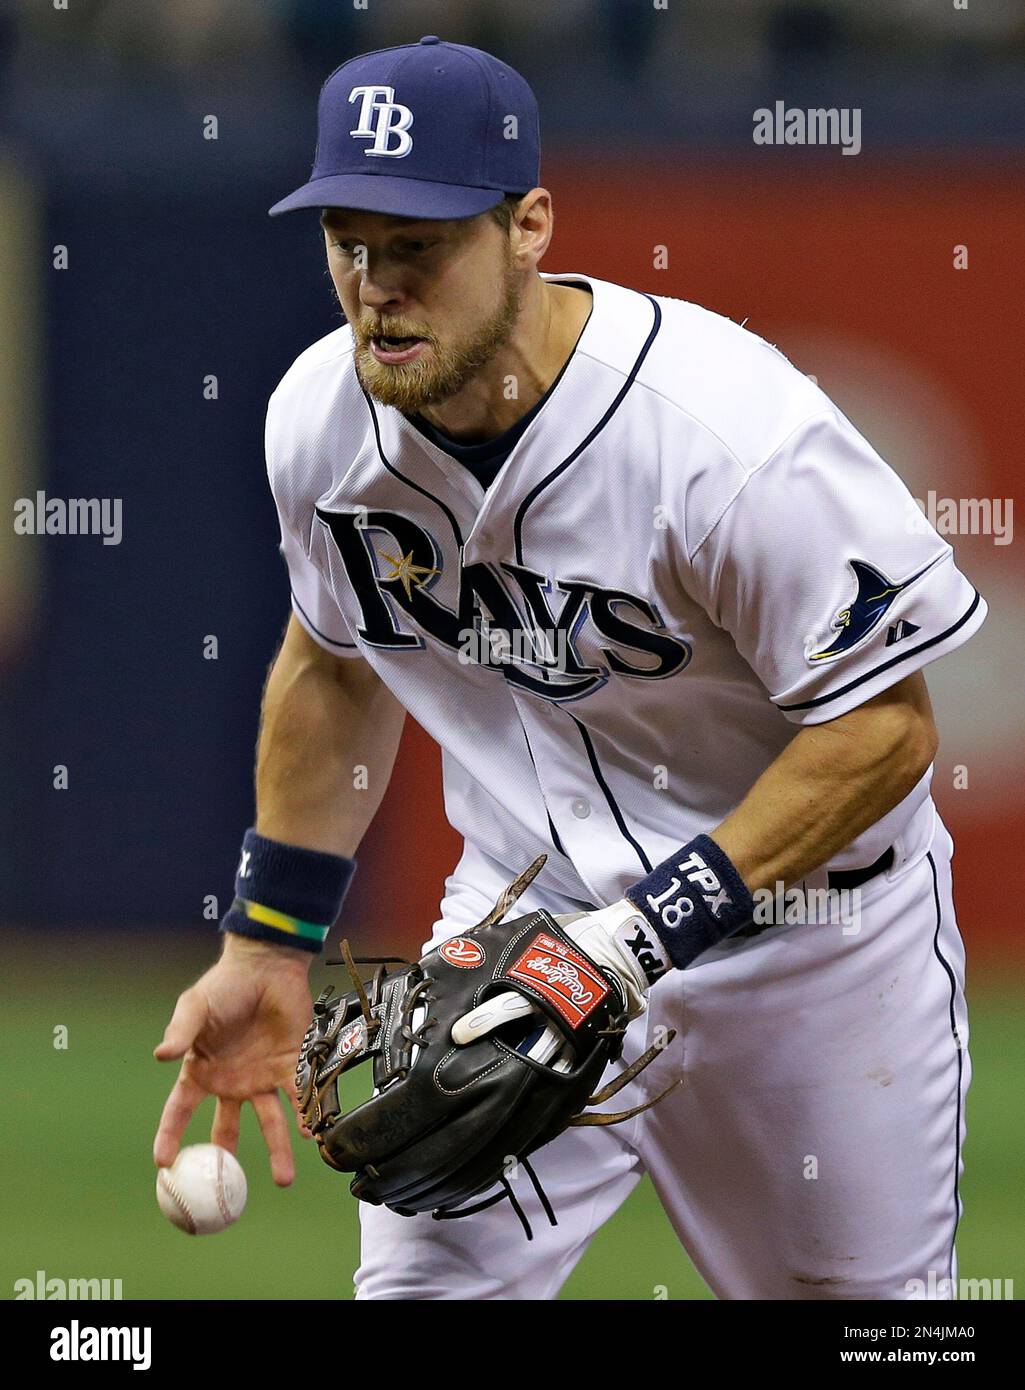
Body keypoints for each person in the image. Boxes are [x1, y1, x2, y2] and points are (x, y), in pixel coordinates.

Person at [154, 36, 986, 1300]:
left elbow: (884, 731)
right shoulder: (319, 420)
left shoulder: (722, 439)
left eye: (417, 247)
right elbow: (332, 670)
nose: (377, 288)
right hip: (516, 935)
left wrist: (635, 941)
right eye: (349, 244)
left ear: (529, 224)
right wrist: (268, 941)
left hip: (809, 955)